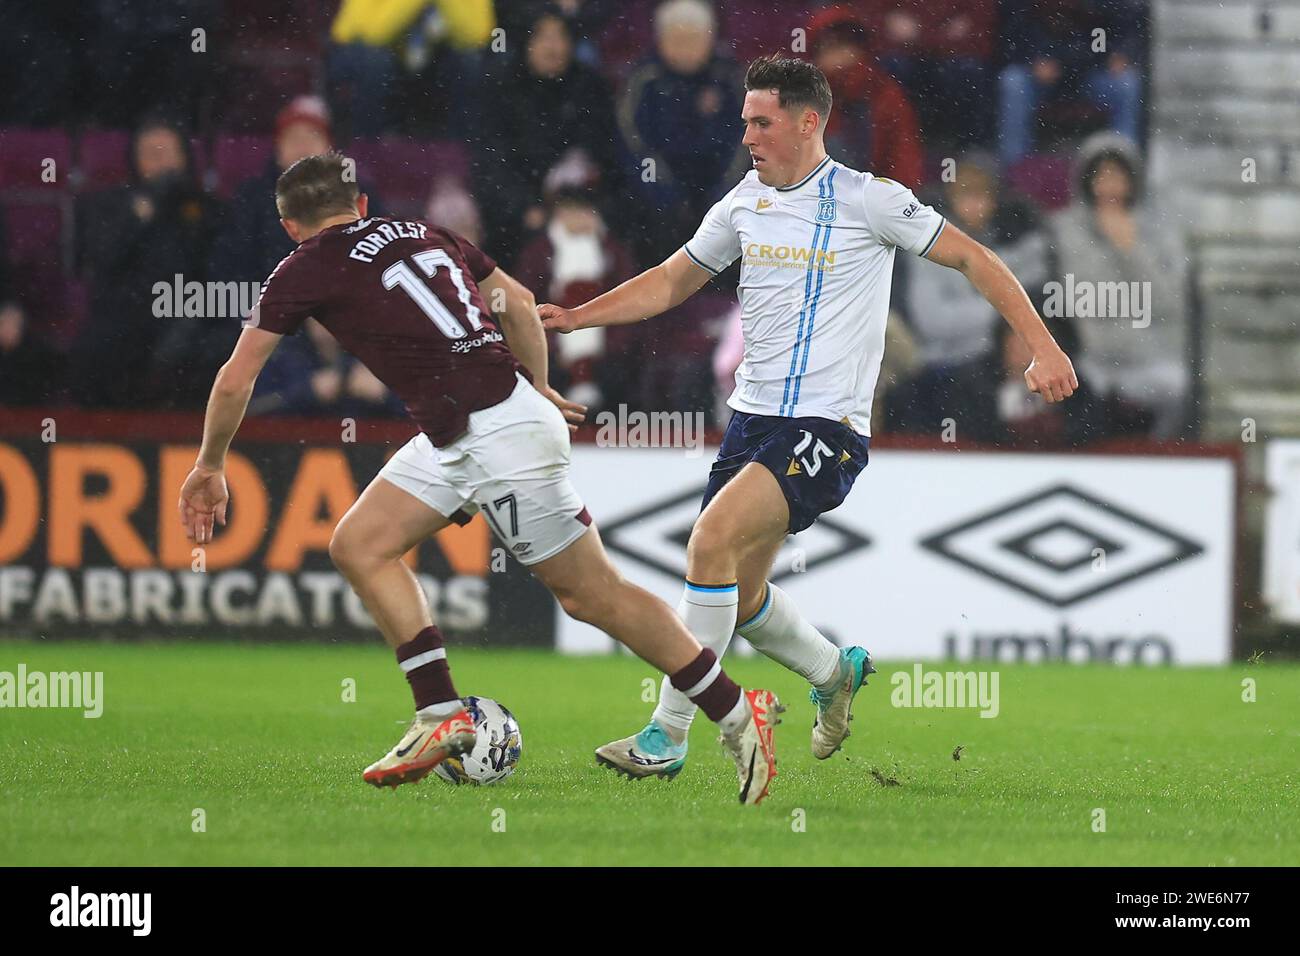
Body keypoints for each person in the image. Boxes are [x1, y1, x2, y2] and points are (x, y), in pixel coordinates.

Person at [177, 153, 781, 805]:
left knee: (592, 595)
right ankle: (440, 714)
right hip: (471, 426)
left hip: (492, 433)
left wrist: (210, 463)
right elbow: (518, 304)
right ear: (359, 207)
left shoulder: (303, 267)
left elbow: (238, 378)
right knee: (359, 544)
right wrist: (541, 388)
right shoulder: (423, 231)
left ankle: (738, 712)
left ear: (290, 226)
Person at [540, 55, 1077, 778]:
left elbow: (976, 260)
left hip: (827, 428)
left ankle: (667, 736)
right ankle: (835, 673)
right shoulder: (742, 203)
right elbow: (673, 279)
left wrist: (1042, 347)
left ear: (807, 122)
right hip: (751, 422)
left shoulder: (869, 200)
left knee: (708, 543)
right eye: (745, 122)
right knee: (745, 593)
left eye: (761, 122)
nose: (749, 135)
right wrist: (577, 316)